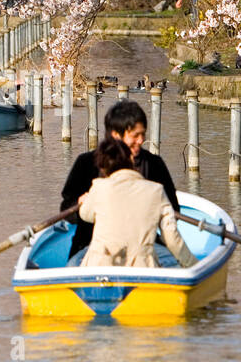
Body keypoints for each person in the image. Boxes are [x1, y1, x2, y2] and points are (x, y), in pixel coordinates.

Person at [60, 99, 181, 263]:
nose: (141, 141)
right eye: (135, 136)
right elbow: (67, 209)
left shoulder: (154, 164)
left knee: (174, 264)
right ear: (116, 135)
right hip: (92, 245)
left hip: (144, 246)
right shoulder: (86, 163)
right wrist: (83, 205)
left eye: (143, 134)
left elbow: (173, 210)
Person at [78, 137, 195, 269]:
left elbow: (85, 215)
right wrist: (193, 265)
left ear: (103, 169)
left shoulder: (98, 187)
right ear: (131, 160)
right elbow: (171, 236)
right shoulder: (156, 190)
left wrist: (84, 201)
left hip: (99, 267)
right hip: (142, 269)